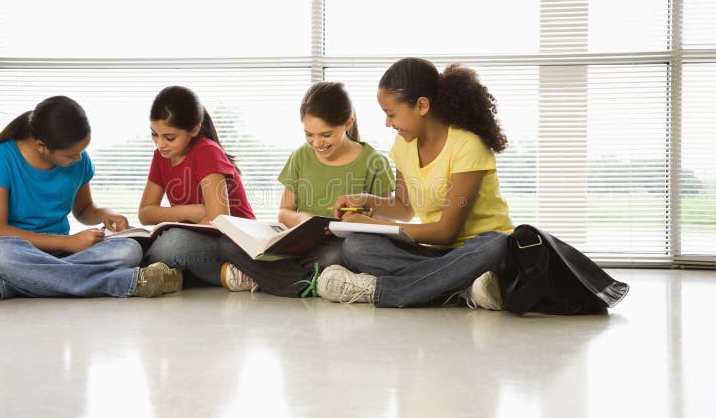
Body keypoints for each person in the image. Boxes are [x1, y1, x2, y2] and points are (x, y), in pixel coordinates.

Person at [317, 58, 515, 309]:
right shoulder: (403, 145)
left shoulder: (468, 145)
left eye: (391, 114)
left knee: (496, 244)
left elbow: (446, 232)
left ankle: (381, 290)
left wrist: (371, 224)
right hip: (439, 256)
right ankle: (462, 287)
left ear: (421, 105)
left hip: (478, 252)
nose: (388, 123)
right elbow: (403, 207)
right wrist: (364, 200)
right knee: (357, 246)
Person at [0, 96, 181, 301]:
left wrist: (105, 214)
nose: (79, 158)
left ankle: (6, 285)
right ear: (42, 146)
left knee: (129, 251)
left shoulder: (78, 160)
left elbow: (84, 209)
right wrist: (68, 242)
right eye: (71, 155)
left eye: (82, 151)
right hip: (17, 252)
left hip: (62, 254)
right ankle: (128, 282)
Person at [218, 81, 395, 297]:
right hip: (297, 243)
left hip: (337, 244)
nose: (317, 143)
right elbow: (284, 212)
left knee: (338, 253)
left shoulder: (373, 161)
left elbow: (388, 217)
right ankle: (308, 281)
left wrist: (364, 218)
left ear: (348, 123)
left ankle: (274, 279)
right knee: (227, 243)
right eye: (309, 134)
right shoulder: (300, 156)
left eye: (326, 135)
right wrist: (302, 219)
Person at [139, 86, 255, 288]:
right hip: (201, 238)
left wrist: (175, 217)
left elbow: (218, 220)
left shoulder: (207, 152)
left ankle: (245, 273)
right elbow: (145, 213)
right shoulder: (161, 156)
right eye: (154, 134)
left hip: (235, 242)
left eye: (169, 137)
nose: (160, 144)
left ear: (194, 130)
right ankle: (219, 275)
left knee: (170, 246)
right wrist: (191, 212)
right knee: (140, 250)